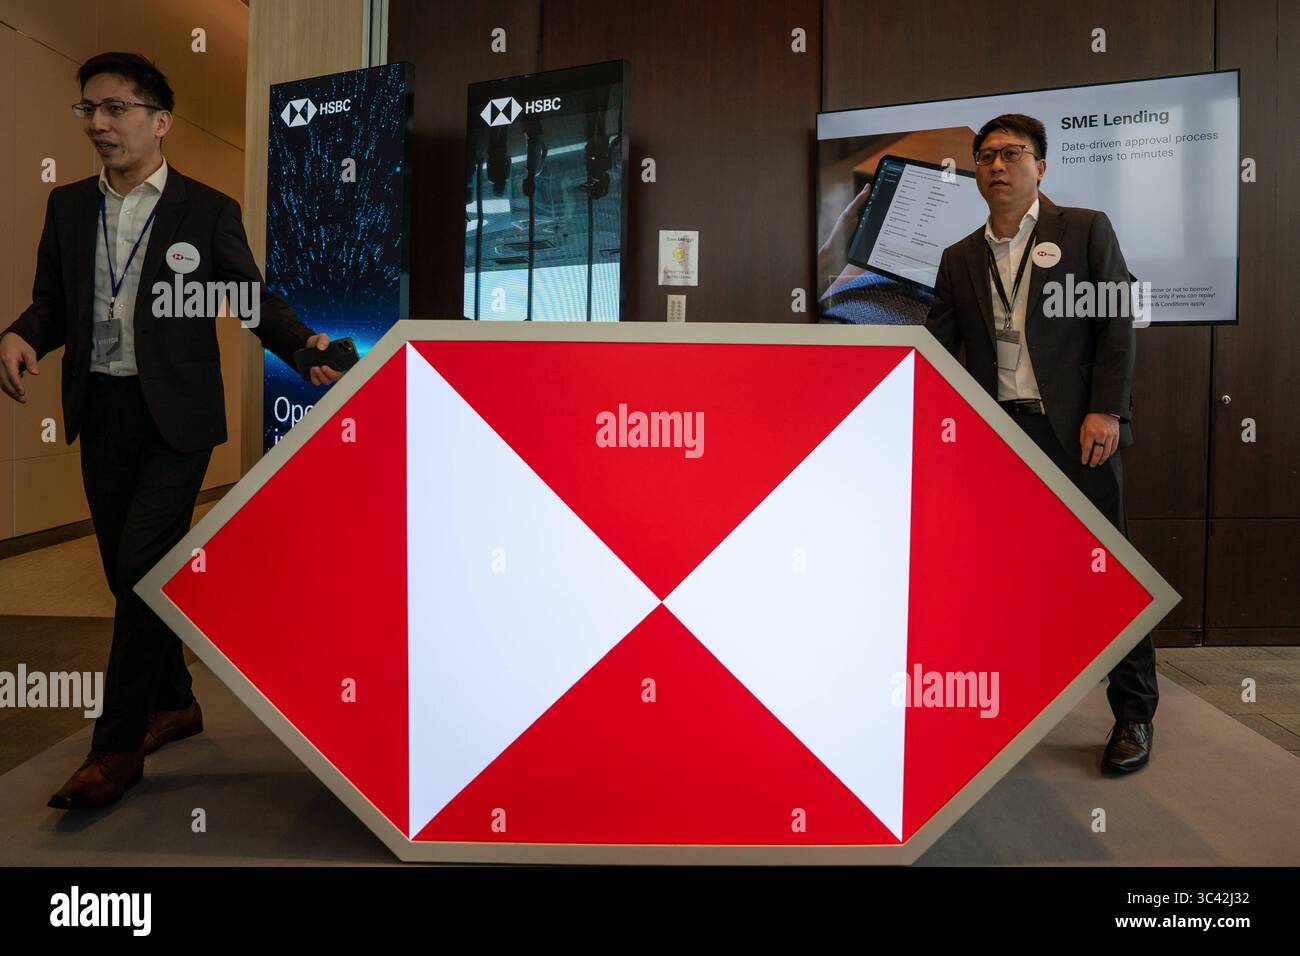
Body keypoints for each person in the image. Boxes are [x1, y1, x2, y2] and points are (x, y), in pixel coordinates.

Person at [0, 52, 344, 810]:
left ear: (160, 121)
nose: (98, 123)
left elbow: (248, 297)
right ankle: (176, 702)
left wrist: (302, 346)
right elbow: (53, 301)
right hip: (102, 410)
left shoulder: (205, 209)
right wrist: (23, 333)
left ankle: (115, 749)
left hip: (178, 418)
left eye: (115, 108)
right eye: (88, 109)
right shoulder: (67, 207)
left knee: (140, 568)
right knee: (127, 574)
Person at [924, 113, 1158, 773]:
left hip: (1079, 434)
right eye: (986, 156)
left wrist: (1106, 410)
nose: (998, 166)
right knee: (1002, 580)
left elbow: (1117, 322)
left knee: (1108, 575)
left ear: (1041, 166)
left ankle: (1134, 715)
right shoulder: (959, 257)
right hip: (999, 440)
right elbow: (938, 348)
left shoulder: (1084, 230)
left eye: (1013, 153)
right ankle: (1005, 713)